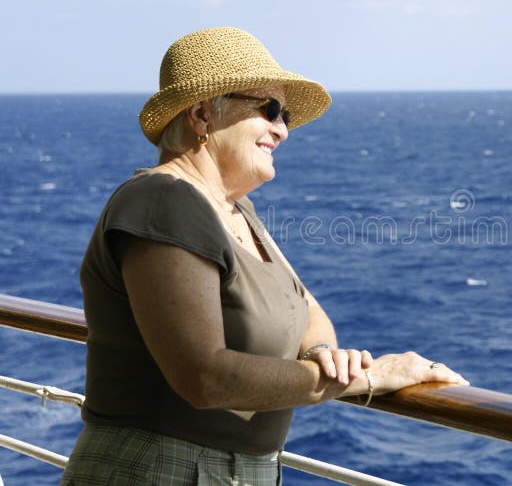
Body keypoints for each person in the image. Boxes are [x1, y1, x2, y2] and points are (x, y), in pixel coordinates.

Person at [61, 27, 467, 485]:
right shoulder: (163, 201)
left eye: (286, 114)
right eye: (269, 109)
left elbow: (308, 310)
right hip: (160, 470)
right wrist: (371, 377)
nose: (283, 129)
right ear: (201, 115)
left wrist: (321, 354)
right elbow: (204, 377)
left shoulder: (235, 210)